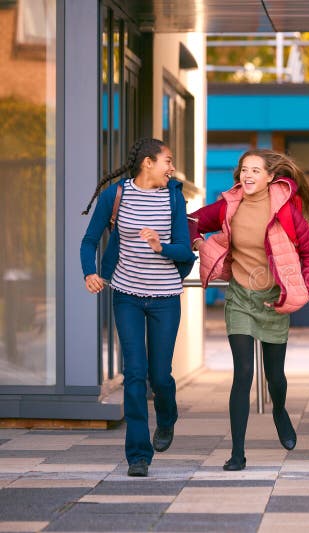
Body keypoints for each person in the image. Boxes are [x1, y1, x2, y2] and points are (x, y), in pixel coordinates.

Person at [188, 149, 309, 471]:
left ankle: (279, 410)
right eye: (243, 170)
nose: (247, 175)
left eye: (254, 170)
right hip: (240, 299)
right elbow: (192, 220)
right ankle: (237, 453)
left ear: (269, 177)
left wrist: (303, 292)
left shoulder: (287, 212)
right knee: (243, 374)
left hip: (273, 301)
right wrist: (199, 244)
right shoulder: (228, 206)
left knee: (275, 376)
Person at [80, 138, 196, 477]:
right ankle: (138, 455)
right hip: (127, 296)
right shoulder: (115, 196)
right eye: (167, 161)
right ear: (148, 162)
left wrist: (162, 247)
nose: (171, 168)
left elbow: (186, 252)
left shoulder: (173, 196)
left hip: (165, 298)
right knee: (134, 374)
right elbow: (90, 240)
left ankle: (168, 416)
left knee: (159, 376)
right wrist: (90, 272)